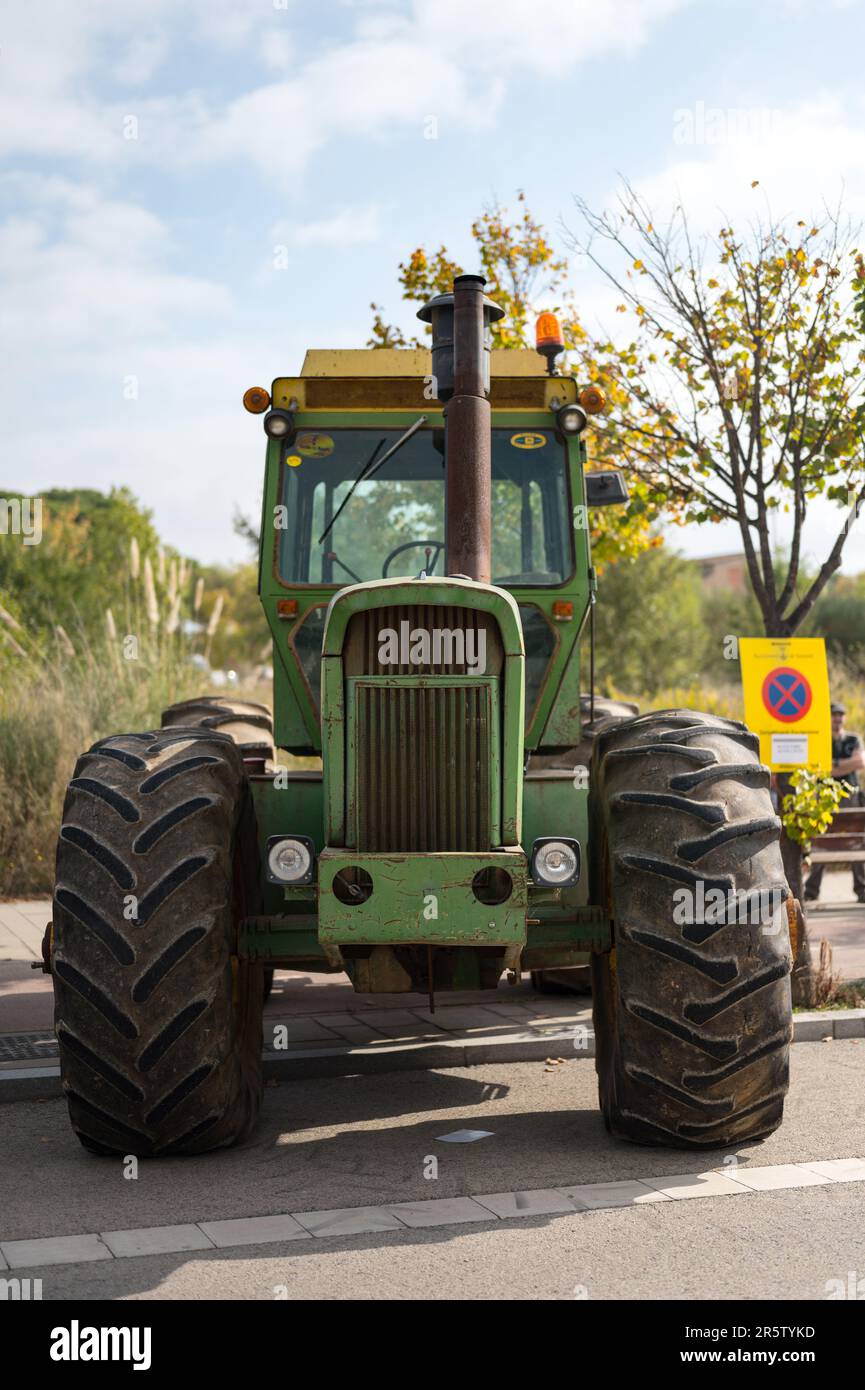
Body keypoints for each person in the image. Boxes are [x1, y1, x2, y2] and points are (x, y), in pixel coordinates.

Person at [804, 702, 865, 904]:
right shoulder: (820, 741)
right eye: (834, 715)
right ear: (828, 718)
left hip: (851, 796)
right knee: (822, 839)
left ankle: (862, 888)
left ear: (844, 718)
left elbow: (860, 762)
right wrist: (843, 766)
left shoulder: (853, 739)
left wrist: (834, 766)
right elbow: (818, 767)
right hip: (825, 797)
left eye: (840, 715)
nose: (837, 718)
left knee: (856, 840)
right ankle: (812, 890)